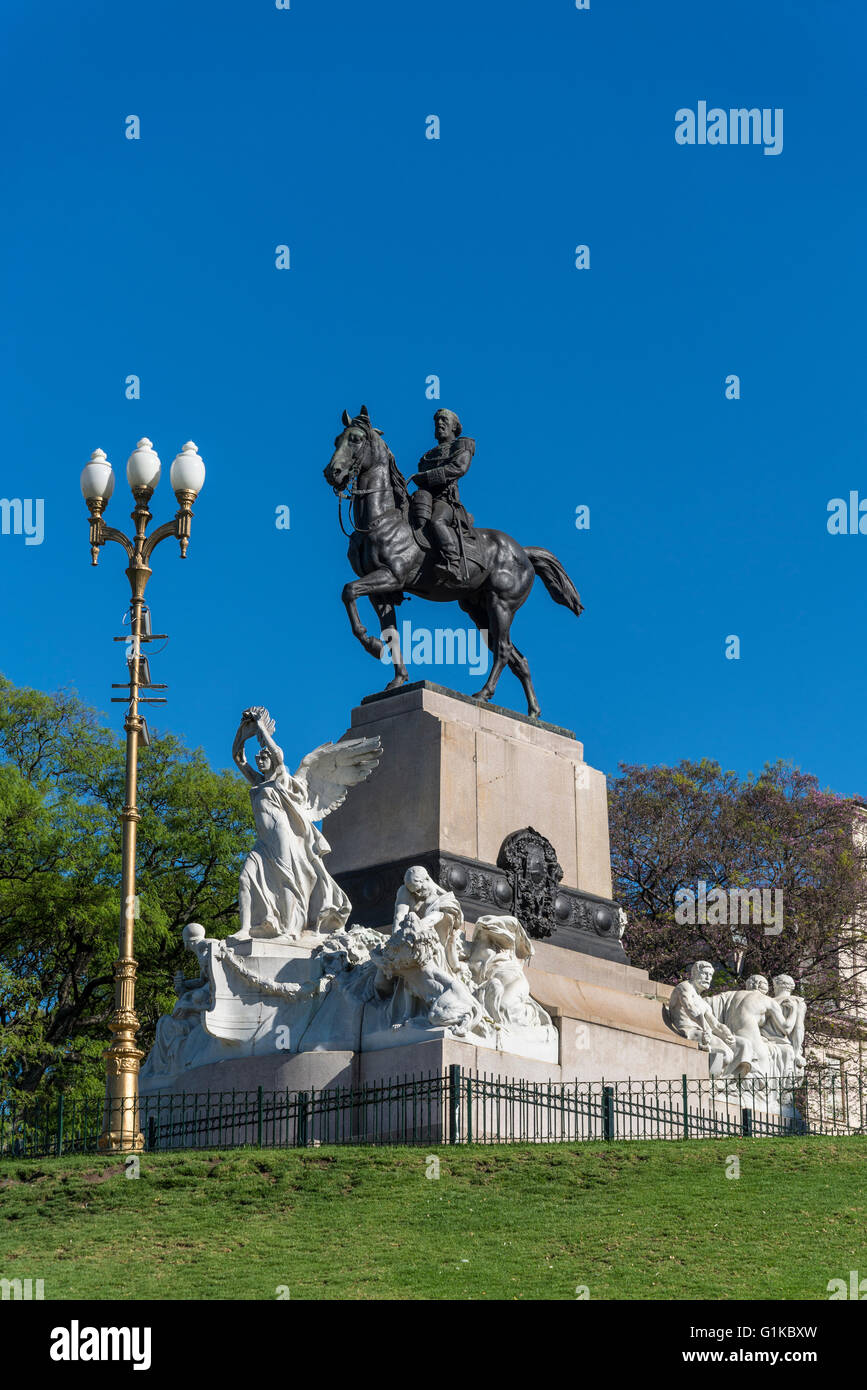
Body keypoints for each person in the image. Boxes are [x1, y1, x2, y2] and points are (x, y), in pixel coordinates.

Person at [410, 408, 475, 582]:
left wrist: (426, 476)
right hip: (424, 499)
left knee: (437, 521)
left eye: (444, 420)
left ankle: (453, 562)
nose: (439, 423)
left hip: (446, 500)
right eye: (437, 420)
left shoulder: (462, 445)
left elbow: (458, 468)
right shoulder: (427, 456)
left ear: (455, 426)